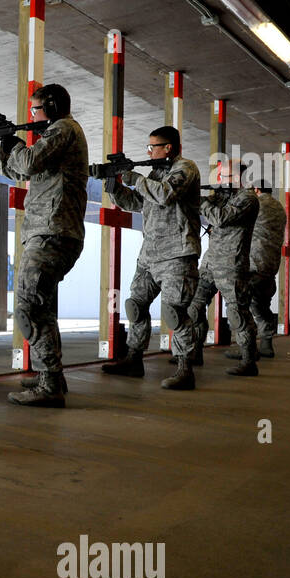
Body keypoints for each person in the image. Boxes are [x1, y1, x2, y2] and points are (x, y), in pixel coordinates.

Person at [0, 84, 88, 407]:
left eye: (35, 110)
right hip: (48, 231)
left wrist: (11, 142)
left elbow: (26, 162)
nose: (32, 116)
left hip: (54, 231)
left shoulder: (63, 129)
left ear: (52, 108)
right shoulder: (55, 137)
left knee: (28, 306)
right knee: (39, 307)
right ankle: (50, 376)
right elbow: (18, 170)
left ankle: (50, 385)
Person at [100, 126, 202, 390]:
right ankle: (134, 358)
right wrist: (114, 186)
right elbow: (135, 203)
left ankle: (184, 368)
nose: (149, 151)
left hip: (177, 255)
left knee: (174, 312)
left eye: (152, 147)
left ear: (168, 147)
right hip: (150, 255)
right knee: (135, 305)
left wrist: (133, 177)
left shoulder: (185, 169)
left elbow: (166, 194)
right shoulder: (155, 174)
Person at [188, 183, 259, 375]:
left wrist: (202, 202)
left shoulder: (248, 199)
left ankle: (249, 361)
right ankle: (195, 351)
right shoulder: (221, 196)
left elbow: (221, 218)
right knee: (194, 306)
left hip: (231, 265)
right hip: (210, 263)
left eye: (226, 175)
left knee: (238, 314)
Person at [231, 177, 285, 360]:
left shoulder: (255, 204)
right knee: (261, 306)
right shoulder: (280, 208)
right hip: (270, 265)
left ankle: (247, 348)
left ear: (255, 190)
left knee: (241, 305)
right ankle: (267, 344)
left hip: (252, 263)